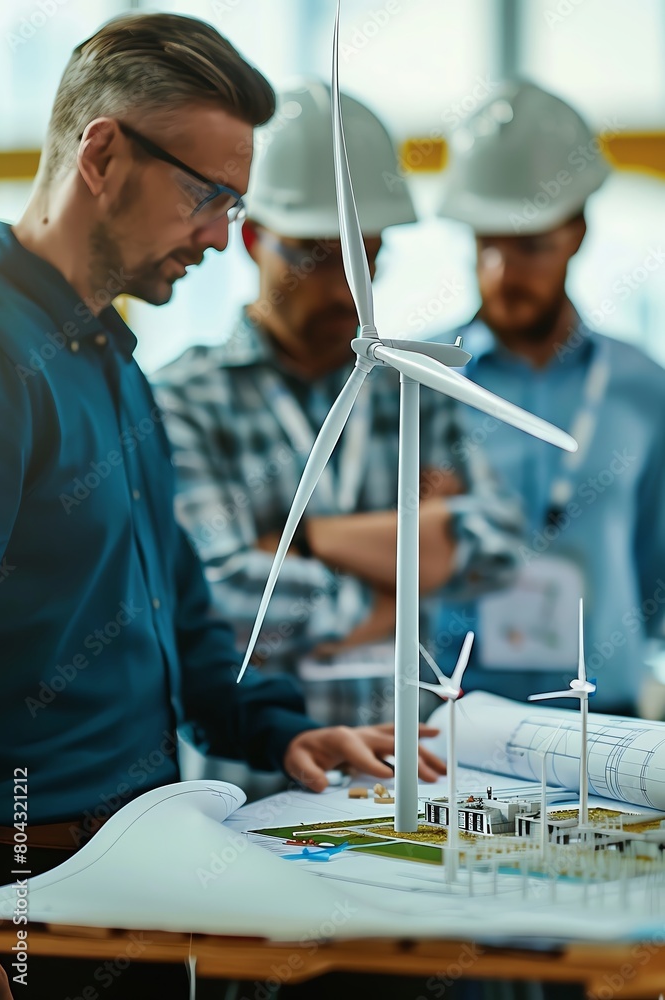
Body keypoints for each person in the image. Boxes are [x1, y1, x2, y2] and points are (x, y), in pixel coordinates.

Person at [0, 14, 444, 998]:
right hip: (31, 892)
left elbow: (183, 612)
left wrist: (276, 727)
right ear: (104, 154)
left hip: (136, 879)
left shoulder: (116, 365)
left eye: (234, 204)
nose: (216, 235)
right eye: (205, 197)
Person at [155, 80, 524, 730]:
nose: (343, 292)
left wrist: (302, 540)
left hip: (411, 767)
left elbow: (496, 547)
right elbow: (222, 601)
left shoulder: (416, 387)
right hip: (255, 780)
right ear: (253, 239)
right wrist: (401, 580)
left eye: (364, 260)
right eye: (316, 259)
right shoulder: (183, 399)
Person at [433, 80, 665, 714]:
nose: (504, 275)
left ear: (577, 234)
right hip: (455, 722)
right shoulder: (415, 384)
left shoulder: (644, 388)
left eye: (530, 246)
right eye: (487, 245)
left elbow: (656, 568)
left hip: (607, 716)